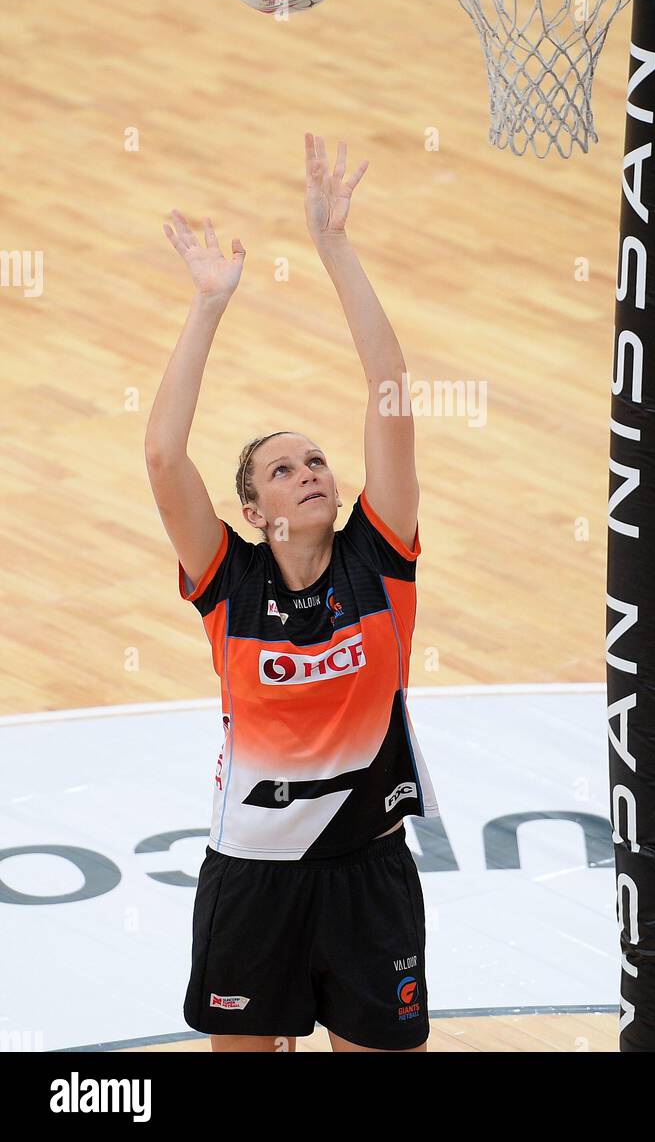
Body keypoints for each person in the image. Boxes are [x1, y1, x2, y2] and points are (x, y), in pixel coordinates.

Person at [145, 133, 439, 1053]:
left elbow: (389, 387)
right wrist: (206, 305)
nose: (309, 471)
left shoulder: (378, 566)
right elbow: (161, 456)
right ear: (251, 507)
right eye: (282, 469)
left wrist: (334, 247)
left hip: (367, 871)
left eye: (317, 460)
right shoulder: (227, 583)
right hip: (252, 876)